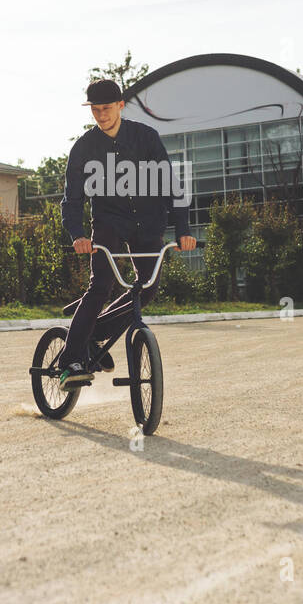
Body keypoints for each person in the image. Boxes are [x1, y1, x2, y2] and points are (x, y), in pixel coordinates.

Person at [58, 79, 196, 388]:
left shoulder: (145, 138)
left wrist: (184, 230)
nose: (101, 115)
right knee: (101, 286)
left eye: (106, 108)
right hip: (109, 223)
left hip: (148, 223)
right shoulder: (84, 147)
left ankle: (91, 333)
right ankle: (71, 360)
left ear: (120, 105)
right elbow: (72, 199)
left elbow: (171, 186)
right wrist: (78, 235)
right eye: (95, 109)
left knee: (146, 289)